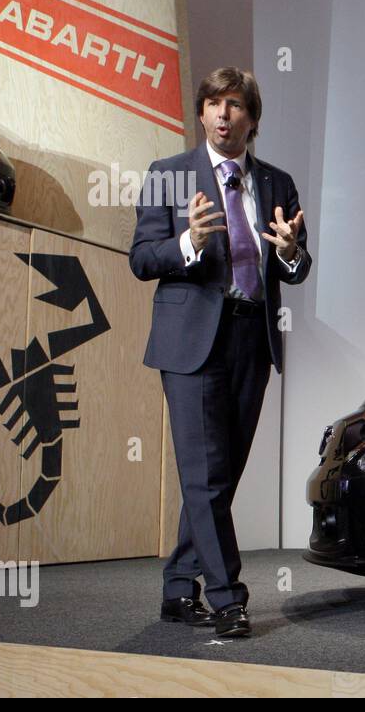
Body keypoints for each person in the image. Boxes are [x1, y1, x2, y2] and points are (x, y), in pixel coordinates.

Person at [129, 67, 312, 637]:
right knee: (205, 476)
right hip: (190, 342)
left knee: (219, 476)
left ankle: (178, 591)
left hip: (250, 340)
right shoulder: (168, 175)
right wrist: (188, 242)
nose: (223, 114)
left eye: (235, 105)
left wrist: (287, 254)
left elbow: (299, 266)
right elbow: (140, 259)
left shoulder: (277, 183)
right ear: (202, 113)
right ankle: (229, 598)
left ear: (251, 119)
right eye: (213, 103)